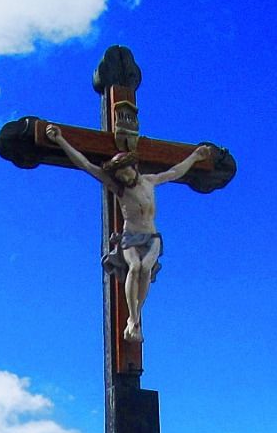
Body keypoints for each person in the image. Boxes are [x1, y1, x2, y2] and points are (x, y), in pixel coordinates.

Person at [45, 123, 209, 342]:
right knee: (135, 266)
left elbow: (174, 171)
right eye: (120, 176)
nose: (124, 178)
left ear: (134, 168)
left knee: (146, 270)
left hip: (151, 237)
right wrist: (60, 140)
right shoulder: (119, 188)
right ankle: (134, 319)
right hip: (130, 237)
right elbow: (85, 164)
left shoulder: (150, 181)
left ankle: (134, 320)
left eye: (126, 173)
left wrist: (195, 156)